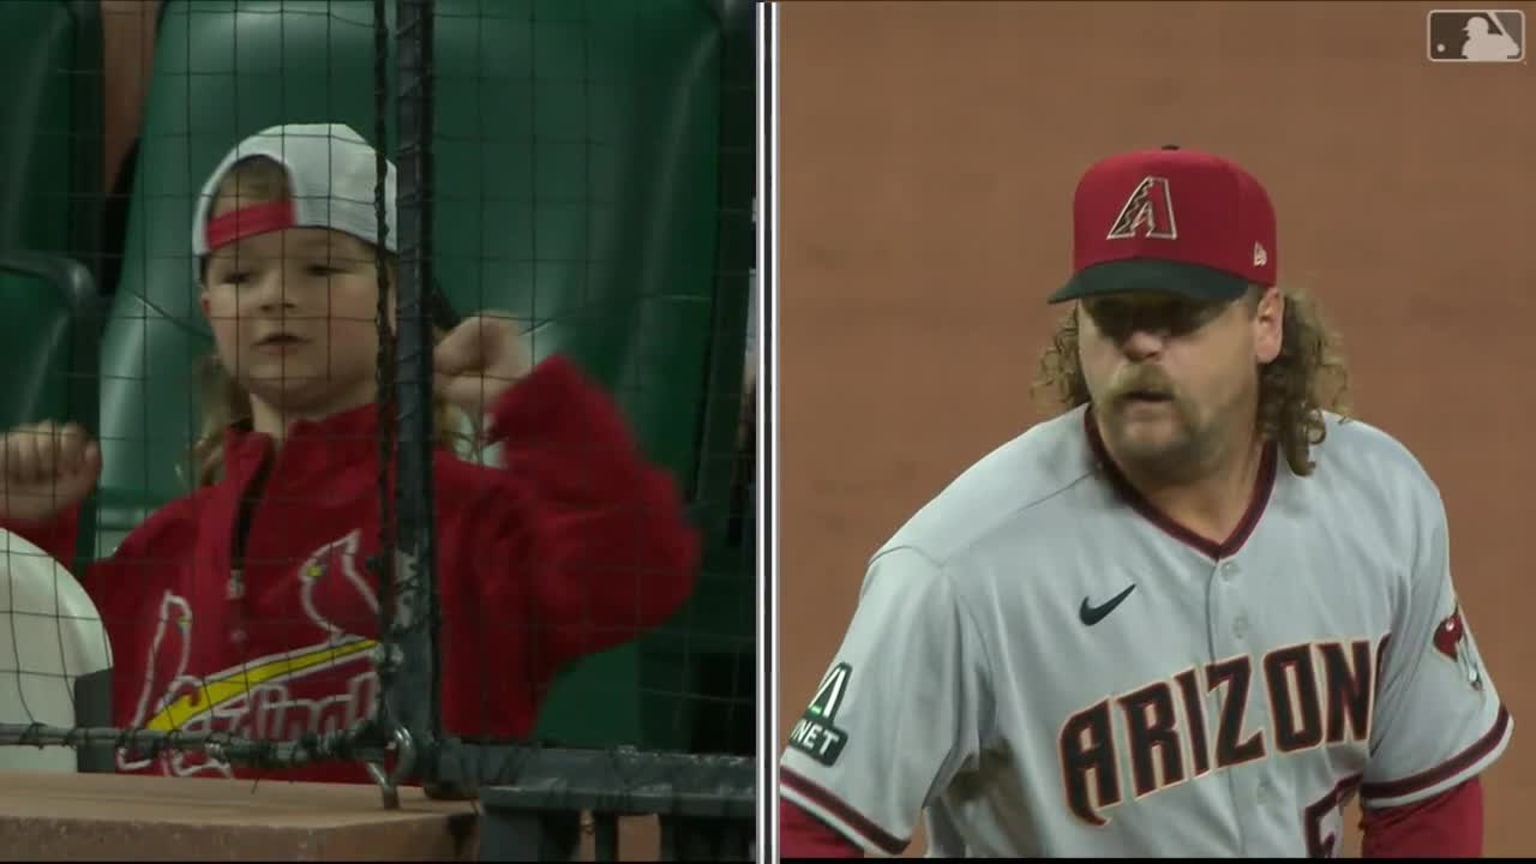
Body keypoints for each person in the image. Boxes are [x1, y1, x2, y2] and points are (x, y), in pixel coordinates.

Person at [778, 146, 1511, 857]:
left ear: (1266, 323)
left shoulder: (1382, 503)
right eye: (1112, 314)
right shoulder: (956, 573)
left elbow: (1426, 796)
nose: (1139, 344)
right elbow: (810, 827)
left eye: (1178, 314)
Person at [0, 122, 700, 782]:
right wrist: (26, 542)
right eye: (241, 277)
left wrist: (537, 409)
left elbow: (633, 580)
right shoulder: (159, 554)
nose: (278, 297)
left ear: (398, 297)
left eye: (323, 268)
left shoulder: (469, 520)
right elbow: (32, 704)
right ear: (210, 312)